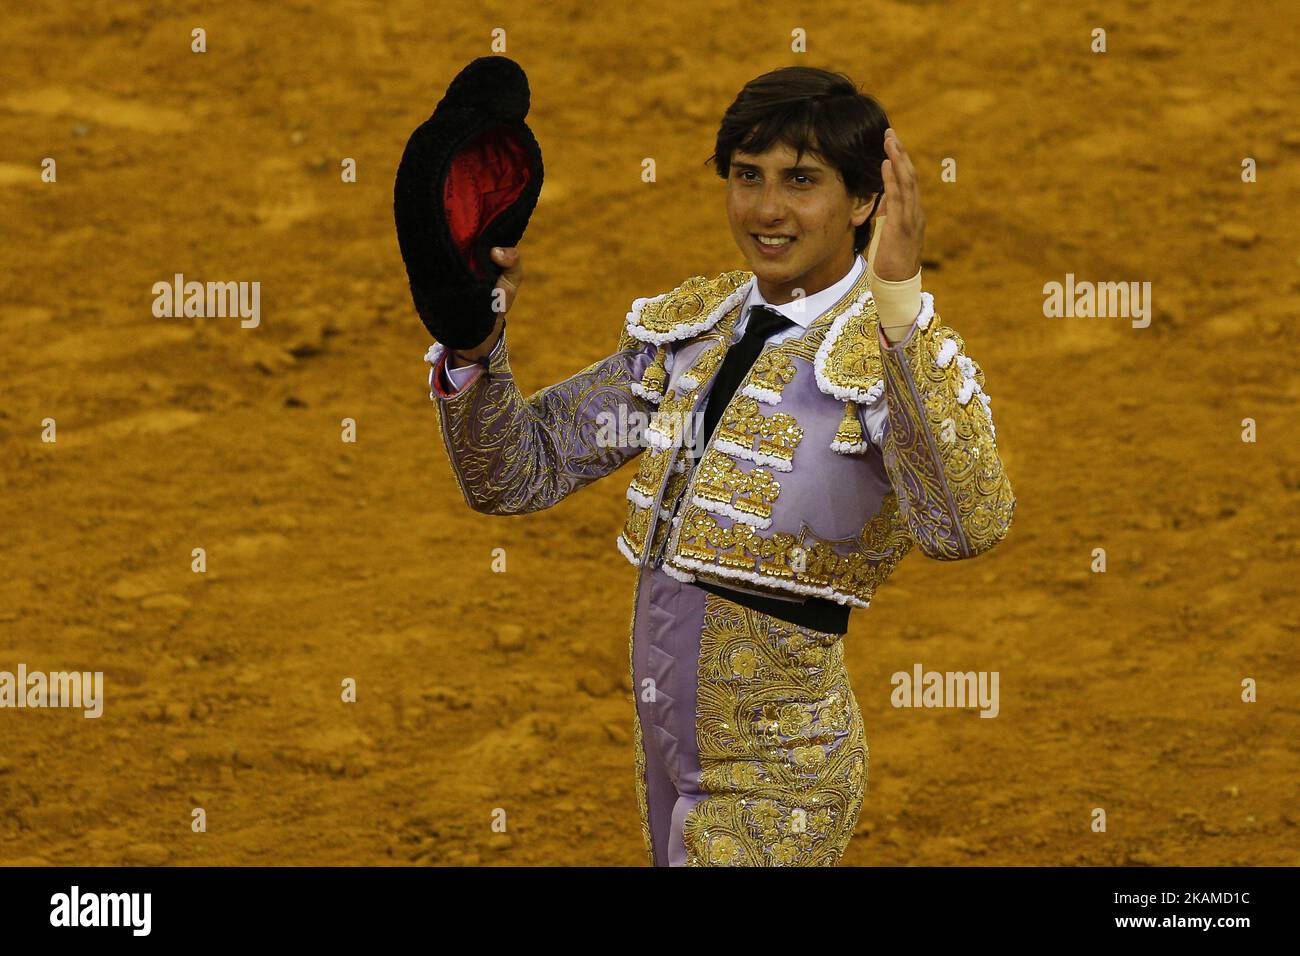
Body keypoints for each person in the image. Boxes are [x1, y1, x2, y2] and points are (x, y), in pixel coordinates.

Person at [423, 66, 1016, 866]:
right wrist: (474, 346)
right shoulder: (693, 333)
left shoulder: (894, 351)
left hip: (783, 773)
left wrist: (900, 302)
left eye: (801, 181)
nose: (767, 210)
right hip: (668, 751)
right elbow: (518, 471)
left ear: (867, 202)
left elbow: (966, 525)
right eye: (747, 177)